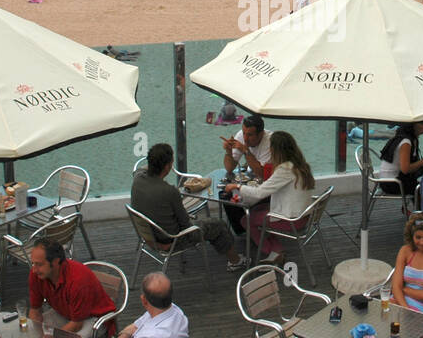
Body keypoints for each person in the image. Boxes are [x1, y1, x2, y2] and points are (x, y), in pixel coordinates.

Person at [134, 142, 250, 272]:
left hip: (149, 235)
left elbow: (143, 169)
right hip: (171, 240)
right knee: (218, 225)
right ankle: (236, 261)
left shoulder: (138, 178)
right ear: (167, 166)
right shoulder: (169, 191)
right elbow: (186, 225)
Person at [224, 131, 316, 264]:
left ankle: (273, 251)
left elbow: (259, 193)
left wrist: (236, 187)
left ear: (275, 150)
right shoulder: (300, 165)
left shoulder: (285, 169)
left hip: (292, 219)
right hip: (304, 214)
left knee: (246, 220)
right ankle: (275, 249)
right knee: (258, 209)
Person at [27, 238, 115, 338]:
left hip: (92, 318)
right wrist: (38, 337)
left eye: (39, 265)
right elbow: (35, 311)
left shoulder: (78, 282)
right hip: (65, 312)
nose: (34, 270)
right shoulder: (36, 274)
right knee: (30, 334)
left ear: (56, 261)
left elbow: (77, 324)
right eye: (33, 264)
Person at [221, 113, 274, 232]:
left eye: (250, 135)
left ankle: (250, 227)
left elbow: (262, 173)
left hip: (270, 184)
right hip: (254, 179)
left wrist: (245, 151)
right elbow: (229, 168)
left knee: (241, 196)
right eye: (244, 133)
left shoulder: (270, 141)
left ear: (261, 134)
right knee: (225, 194)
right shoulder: (241, 135)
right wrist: (228, 152)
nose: (245, 138)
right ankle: (243, 230)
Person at [377, 122, 423, 202]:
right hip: (391, 183)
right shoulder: (406, 142)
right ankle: (422, 211)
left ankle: (420, 211)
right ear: (413, 127)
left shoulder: (405, 139)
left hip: (388, 180)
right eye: (422, 123)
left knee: (422, 184)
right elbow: (405, 169)